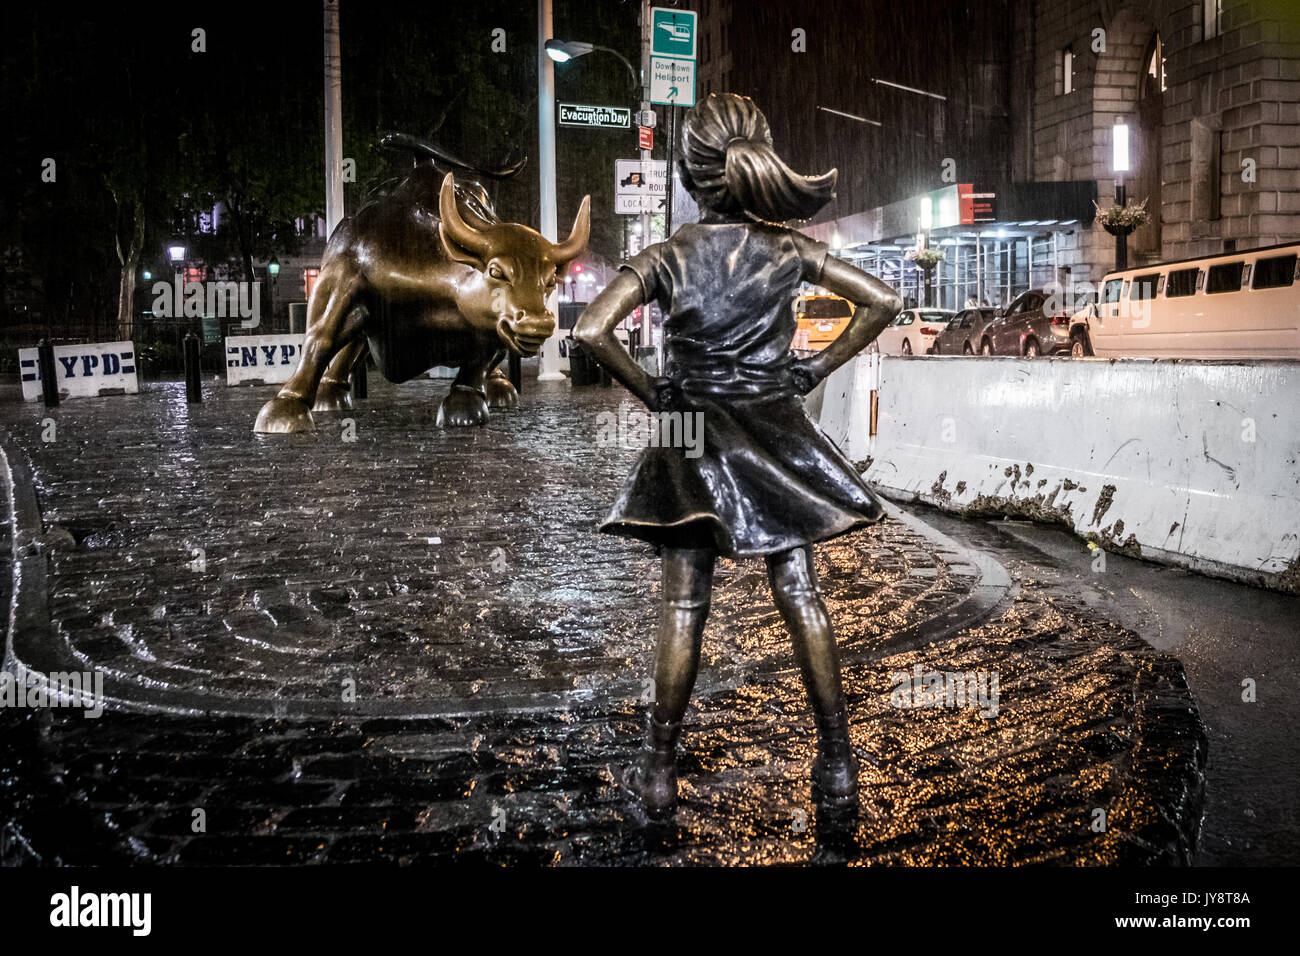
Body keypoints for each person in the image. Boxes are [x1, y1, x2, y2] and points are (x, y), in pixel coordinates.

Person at [574, 93, 902, 818]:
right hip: (774, 427)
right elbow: (882, 301)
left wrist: (658, 395)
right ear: (751, 167)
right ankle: (839, 766)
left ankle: (659, 774)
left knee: (684, 604)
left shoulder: (668, 256)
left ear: (690, 181)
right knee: (800, 594)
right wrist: (813, 370)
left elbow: (592, 332)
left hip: (689, 433)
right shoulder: (788, 250)